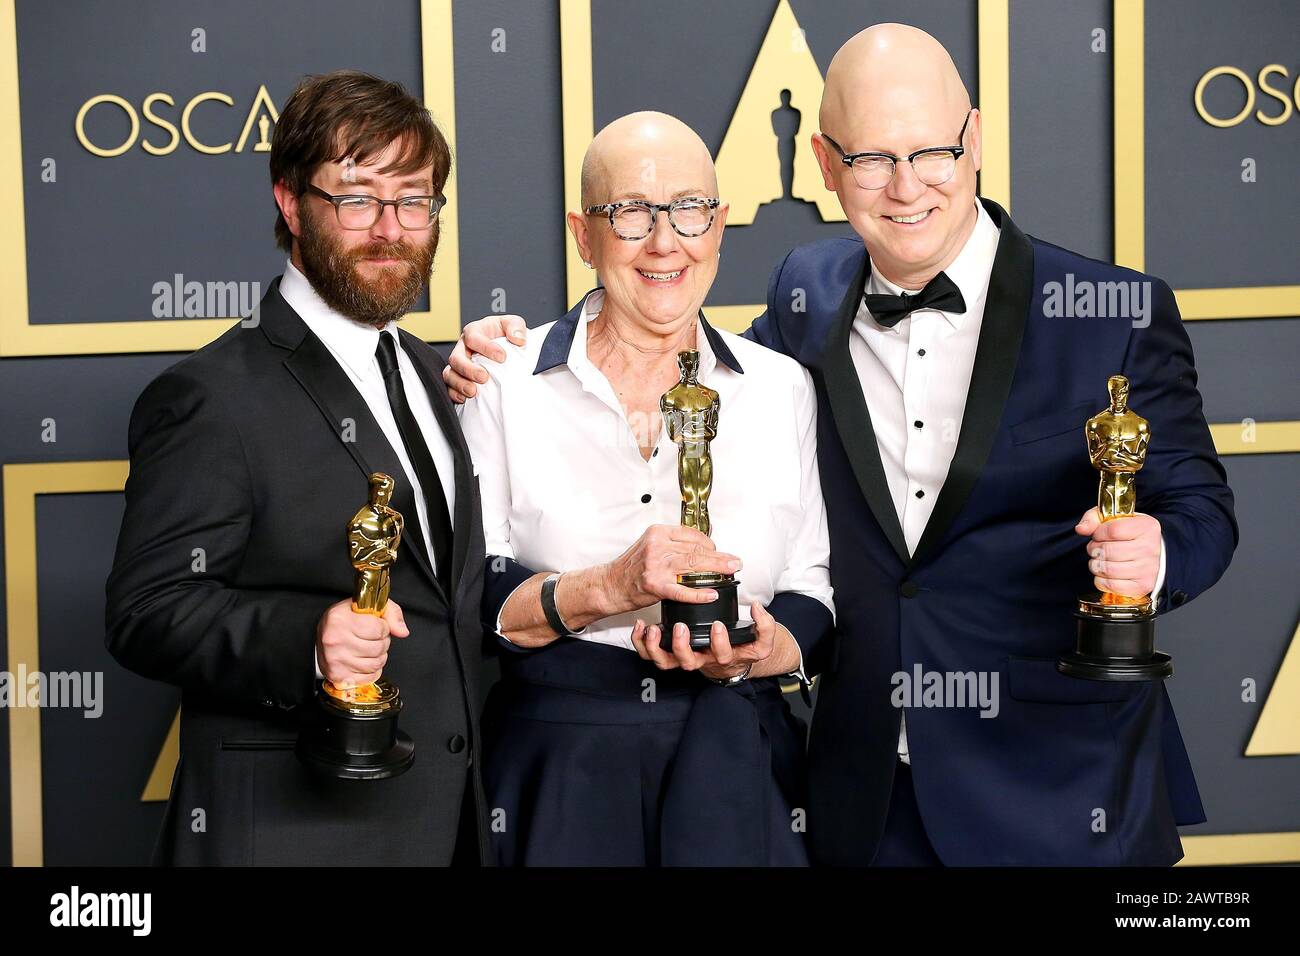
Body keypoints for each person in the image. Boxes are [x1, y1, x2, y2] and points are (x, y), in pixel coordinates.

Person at [445, 26, 1236, 865]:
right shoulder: (803, 299)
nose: (904, 188)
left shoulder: (1111, 311)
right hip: (866, 796)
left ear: (973, 141)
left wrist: (1153, 558)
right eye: (869, 159)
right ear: (825, 166)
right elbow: (664, 339)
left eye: (929, 152)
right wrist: (483, 356)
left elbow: (1201, 510)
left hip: (1065, 786)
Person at [105, 71, 488, 866]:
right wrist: (310, 642)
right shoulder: (210, 396)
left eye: (414, 199)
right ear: (291, 203)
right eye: (357, 198)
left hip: (446, 824)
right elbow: (147, 610)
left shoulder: (427, 372)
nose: (390, 228)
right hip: (291, 837)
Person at [456, 111, 834, 866]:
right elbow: (477, 601)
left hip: (739, 760)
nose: (665, 242)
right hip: (560, 768)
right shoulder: (502, 379)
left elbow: (812, 588)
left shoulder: (781, 386)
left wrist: (755, 649)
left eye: (689, 210)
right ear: (583, 234)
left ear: (721, 224)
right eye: (629, 213)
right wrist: (611, 586)